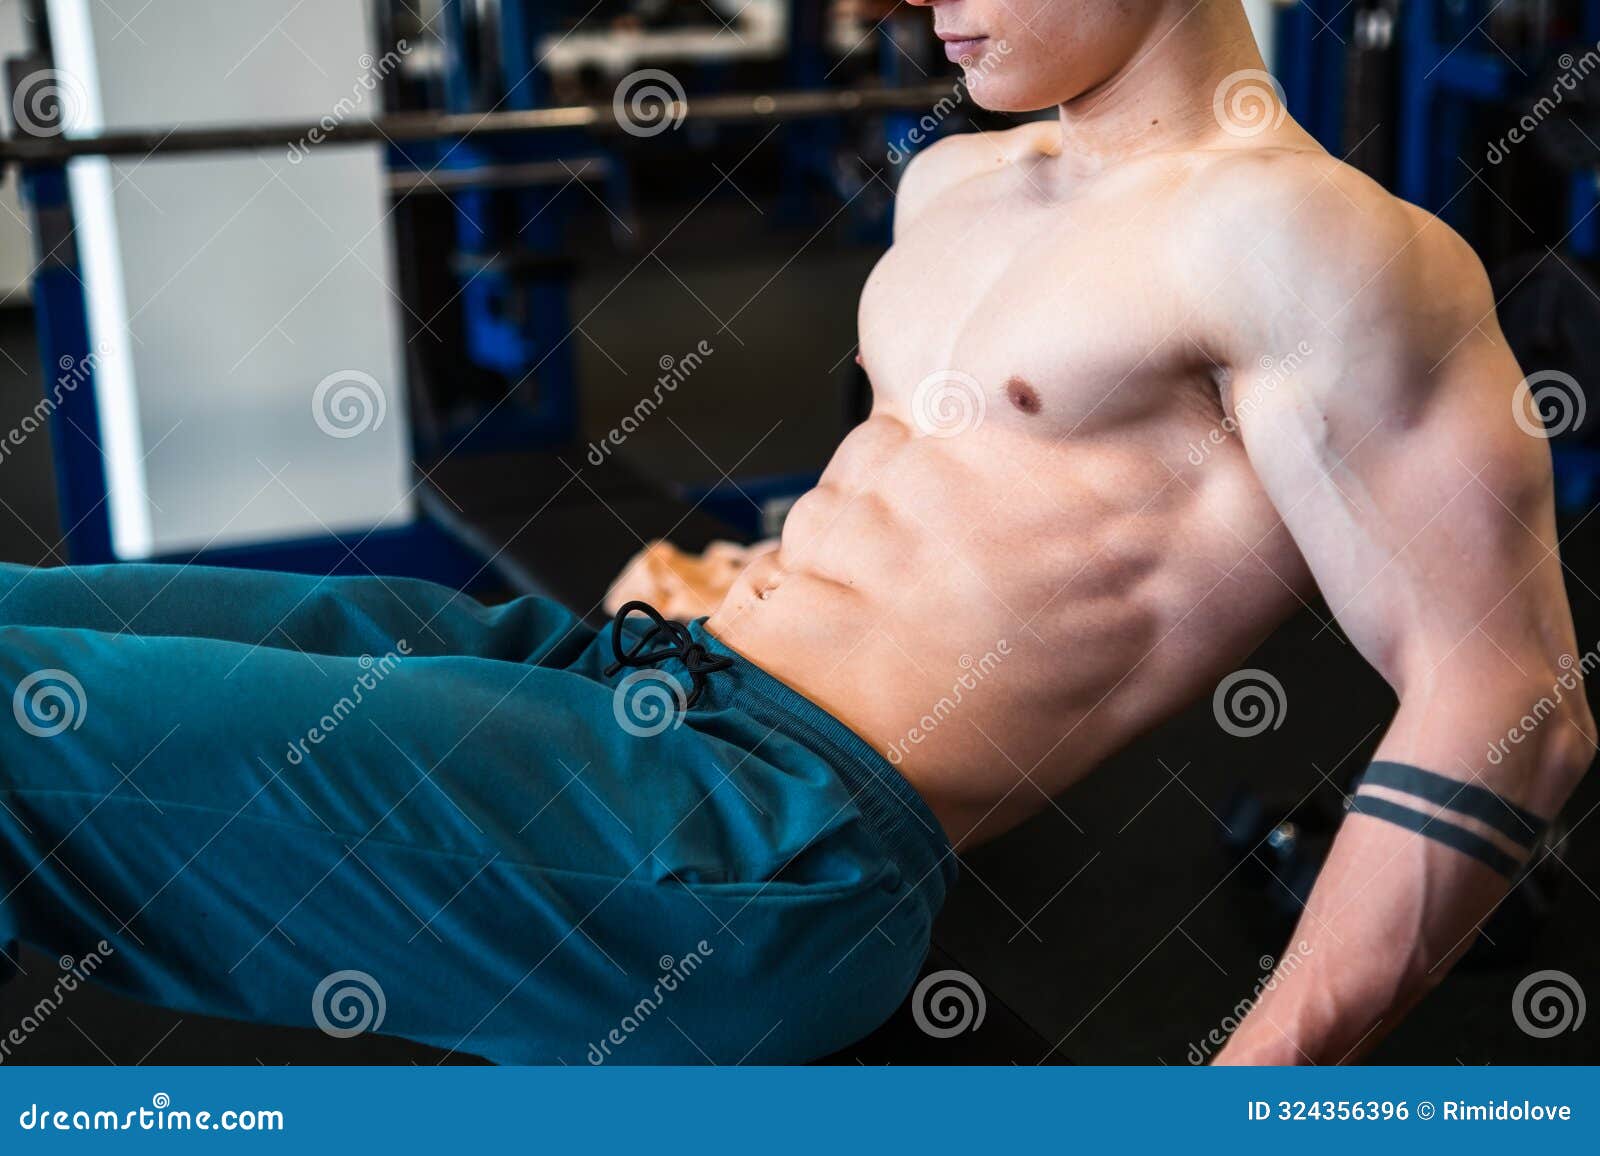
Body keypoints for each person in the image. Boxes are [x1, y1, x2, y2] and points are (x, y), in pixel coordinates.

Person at [1, 0, 1591, 1065]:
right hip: (631, 677)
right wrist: (750, 571)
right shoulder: (957, 186)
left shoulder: (1306, 239)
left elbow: (1510, 702)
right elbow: (946, 513)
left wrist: (1249, 1101)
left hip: (766, 834)